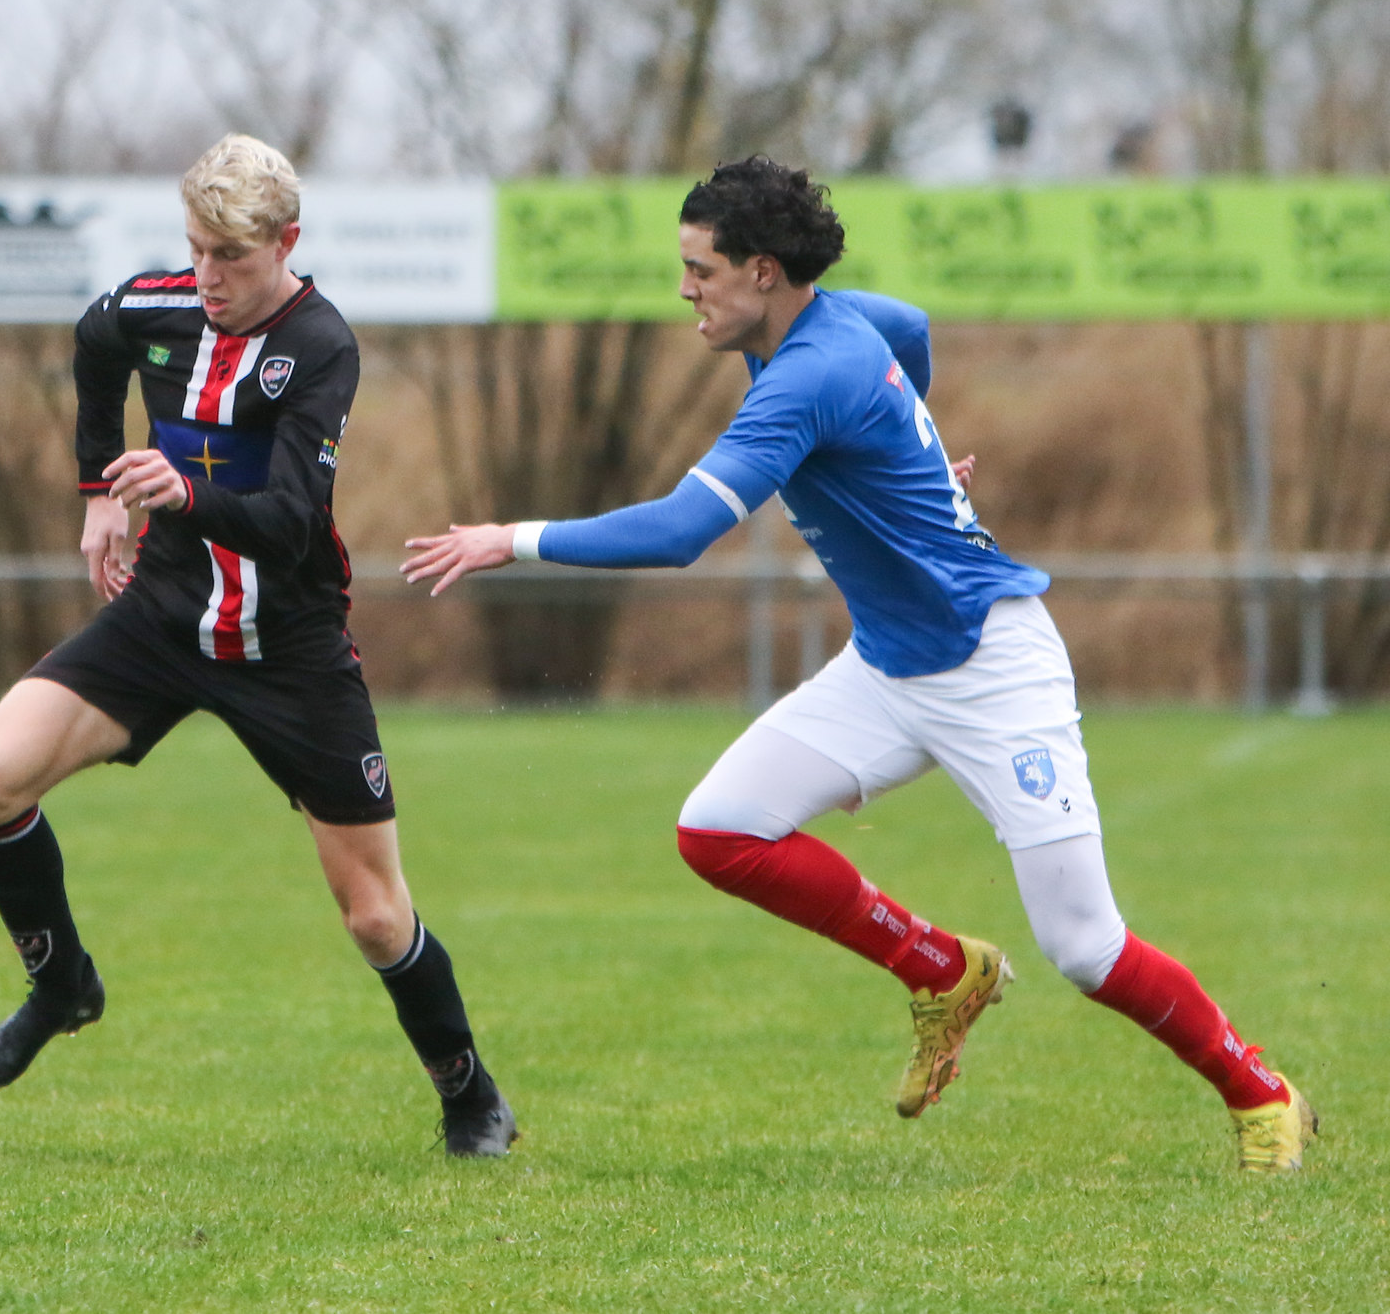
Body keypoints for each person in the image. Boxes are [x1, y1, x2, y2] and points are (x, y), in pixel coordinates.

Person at [400, 155, 1315, 1173]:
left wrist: (508, 538)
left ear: (760, 271)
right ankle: (938, 968)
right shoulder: (830, 322)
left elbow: (676, 533)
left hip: (989, 666)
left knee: (1083, 949)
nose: (683, 290)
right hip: (884, 668)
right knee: (717, 830)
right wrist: (911, 449)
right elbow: (913, 329)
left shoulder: (807, 375)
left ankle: (1261, 1092)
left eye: (699, 270)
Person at [0, 134, 516, 1157]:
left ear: (285, 242)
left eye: (231, 258)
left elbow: (293, 516)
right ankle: (60, 986)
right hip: (163, 619)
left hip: (287, 648)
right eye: (196, 249)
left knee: (375, 919)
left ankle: (466, 1092)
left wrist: (180, 494)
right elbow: (91, 341)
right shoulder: (156, 304)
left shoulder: (322, 345)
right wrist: (96, 496)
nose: (207, 277)